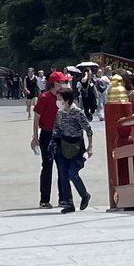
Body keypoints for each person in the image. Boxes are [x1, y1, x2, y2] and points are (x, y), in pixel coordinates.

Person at [51, 78, 93, 212]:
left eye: (60, 98)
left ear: (67, 99)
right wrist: (53, 141)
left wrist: (90, 146)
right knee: (63, 173)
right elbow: (57, 128)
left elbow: (88, 129)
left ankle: (84, 195)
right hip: (63, 144)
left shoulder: (78, 113)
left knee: (72, 173)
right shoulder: (59, 113)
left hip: (76, 145)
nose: (58, 101)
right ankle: (68, 203)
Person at [30, 72, 64, 208]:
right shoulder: (44, 97)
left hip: (61, 135)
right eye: (60, 82)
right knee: (47, 166)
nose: (63, 84)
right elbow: (37, 117)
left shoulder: (64, 97)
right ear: (54, 83)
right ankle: (44, 199)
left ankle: (64, 198)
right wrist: (35, 137)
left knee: (63, 166)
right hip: (47, 134)